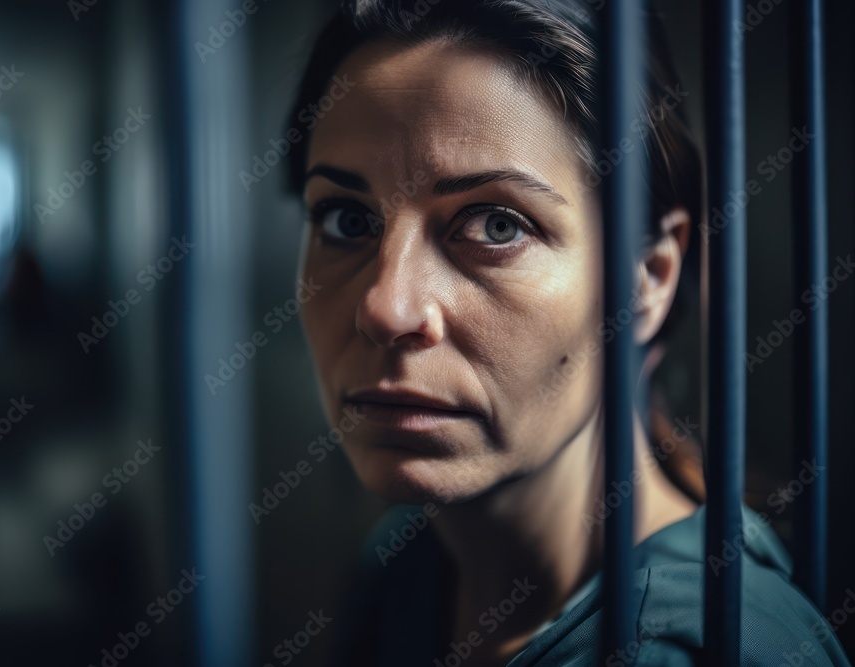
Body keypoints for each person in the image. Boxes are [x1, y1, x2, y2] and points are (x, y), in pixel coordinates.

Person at [284, 0, 851, 664]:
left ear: (648, 275)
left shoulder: (698, 649)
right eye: (347, 219)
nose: (386, 306)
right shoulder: (405, 566)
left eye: (496, 225)